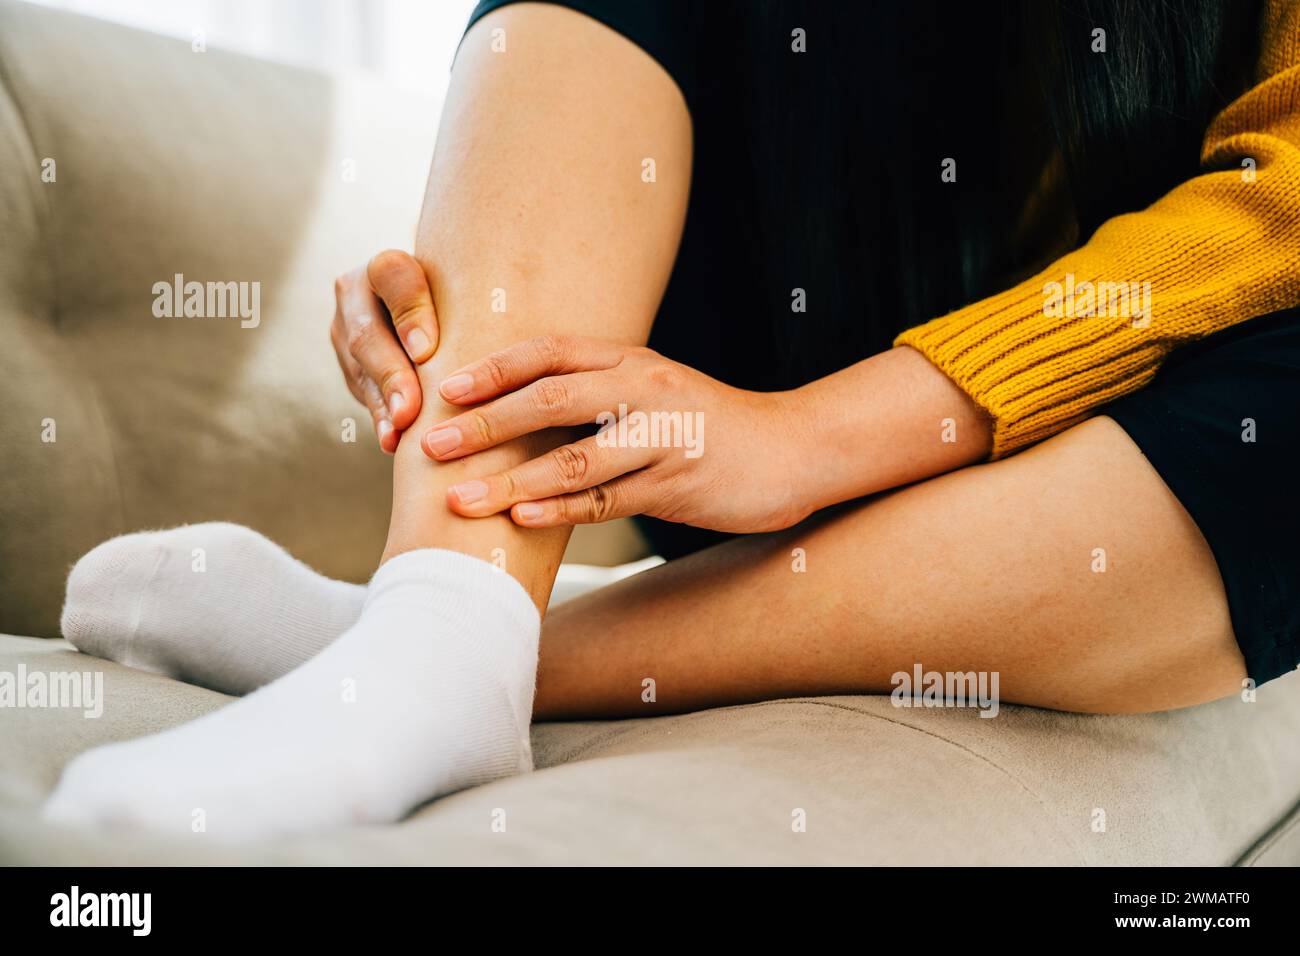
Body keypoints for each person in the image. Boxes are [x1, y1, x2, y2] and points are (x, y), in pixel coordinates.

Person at [44, 0, 1300, 839]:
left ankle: (441, 651)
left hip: (1062, 480)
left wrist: (811, 435)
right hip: (714, 402)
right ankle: (453, 602)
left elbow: (1278, 201)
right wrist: (478, 277)